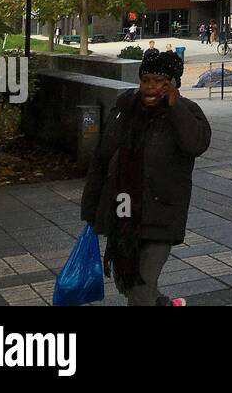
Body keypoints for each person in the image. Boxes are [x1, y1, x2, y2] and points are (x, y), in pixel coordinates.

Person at [80, 48, 211, 306]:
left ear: (173, 84)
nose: (151, 87)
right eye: (146, 80)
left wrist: (175, 109)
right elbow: (101, 158)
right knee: (129, 283)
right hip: (124, 213)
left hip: (161, 215)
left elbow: (195, 144)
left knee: (140, 288)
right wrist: (91, 209)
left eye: (160, 81)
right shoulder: (124, 109)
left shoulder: (187, 111)